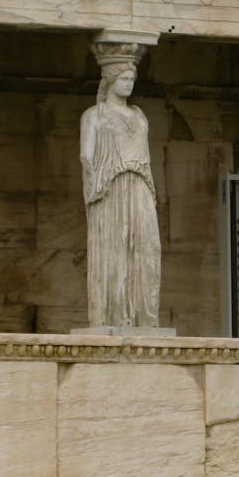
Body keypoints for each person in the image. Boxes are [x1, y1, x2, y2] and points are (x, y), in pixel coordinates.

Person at [80, 62, 161, 327]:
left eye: (131, 78)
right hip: (110, 187)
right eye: (123, 78)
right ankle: (113, 317)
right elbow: (86, 155)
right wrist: (95, 184)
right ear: (110, 81)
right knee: (114, 248)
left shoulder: (139, 115)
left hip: (140, 185)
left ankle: (144, 318)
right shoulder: (94, 115)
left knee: (148, 248)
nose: (129, 83)